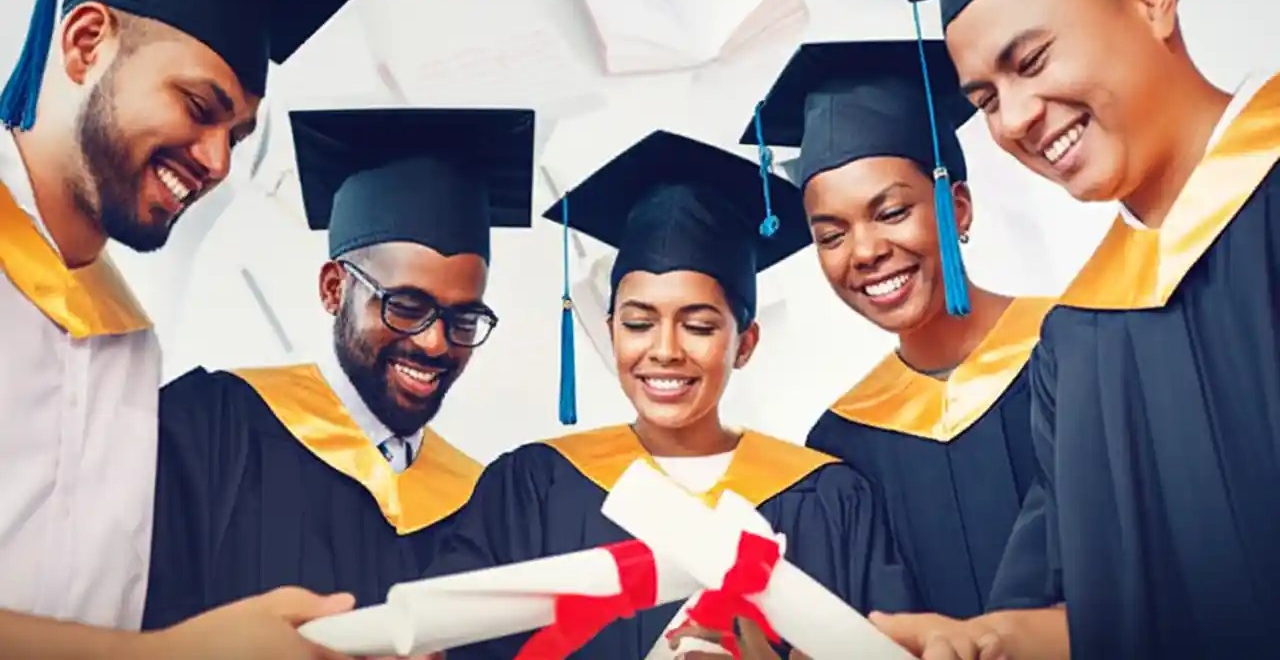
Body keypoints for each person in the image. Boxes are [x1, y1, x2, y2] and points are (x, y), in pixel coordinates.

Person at [872, 0, 1280, 658]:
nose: (1015, 118)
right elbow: (1098, 615)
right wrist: (980, 640)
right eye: (986, 99)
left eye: (1030, 62)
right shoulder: (1080, 340)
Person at [424, 130, 918, 659]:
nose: (664, 350)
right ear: (611, 328)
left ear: (745, 343)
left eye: (700, 327)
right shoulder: (532, 489)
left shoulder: (831, 500)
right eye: (638, 323)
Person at [0, 0, 360, 654]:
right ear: (84, 43)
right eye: (199, 106)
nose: (217, 161)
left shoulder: (131, 346)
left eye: (238, 136)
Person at [143, 108, 536, 628]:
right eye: (406, 306)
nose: (436, 342)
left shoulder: (482, 505)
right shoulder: (208, 429)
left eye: (464, 318)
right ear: (334, 289)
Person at [748, 38, 1053, 619]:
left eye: (891, 212)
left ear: (957, 207)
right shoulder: (843, 446)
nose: (864, 251)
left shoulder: (1075, 349)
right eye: (831, 235)